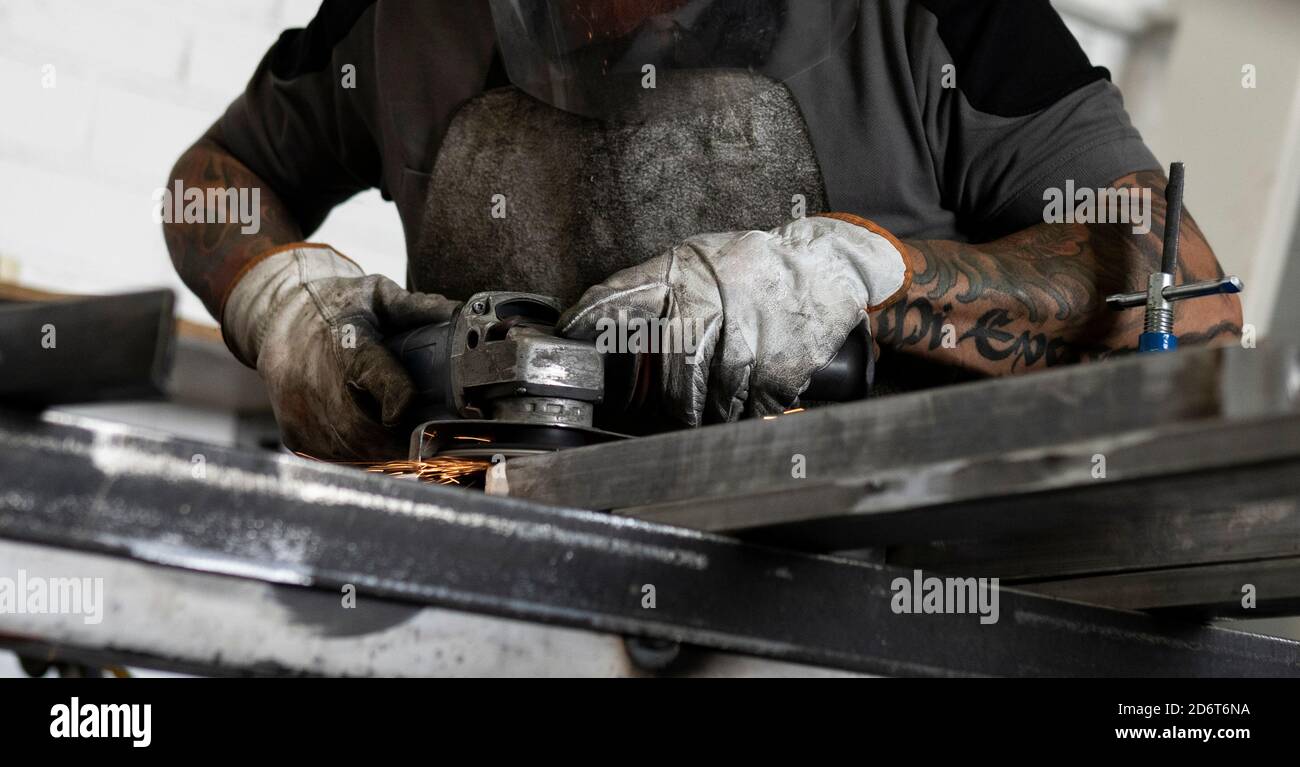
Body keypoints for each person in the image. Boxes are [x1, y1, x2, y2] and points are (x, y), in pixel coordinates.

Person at [164, 0, 1242, 459]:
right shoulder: (401, 18)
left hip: (844, 615)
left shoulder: (941, 18)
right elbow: (215, 182)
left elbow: (1193, 305)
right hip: (483, 593)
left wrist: (856, 275)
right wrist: (278, 294)